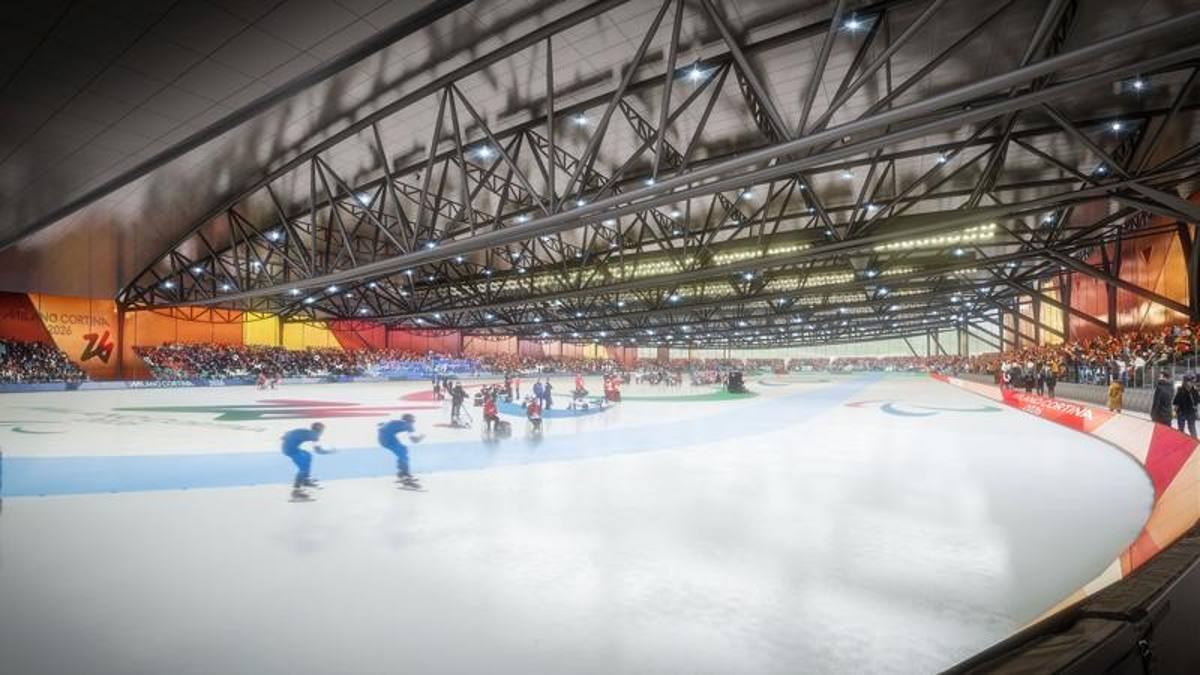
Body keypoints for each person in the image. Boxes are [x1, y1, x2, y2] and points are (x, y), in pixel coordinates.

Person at [378, 413, 425, 488]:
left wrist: (381, 426)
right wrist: (421, 437)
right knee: (402, 453)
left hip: (384, 436)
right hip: (387, 438)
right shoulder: (408, 424)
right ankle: (404, 474)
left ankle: (402, 473)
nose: (413, 422)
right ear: (409, 420)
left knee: (403, 451)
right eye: (413, 420)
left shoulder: (396, 422)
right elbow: (414, 441)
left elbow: (383, 425)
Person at [281, 422, 326, 500]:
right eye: (322, 430)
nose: (322, 432)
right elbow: (319, 451)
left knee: (308, 455)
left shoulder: (305, 431)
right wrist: (330, 451)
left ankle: (305, 480)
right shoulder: (314, 435)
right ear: (320, 430)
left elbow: (287, 434)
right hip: (291, 450)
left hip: (289, 448)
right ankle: (296, 491)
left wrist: (286, 437)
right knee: (303, 469)